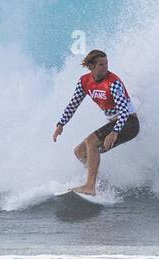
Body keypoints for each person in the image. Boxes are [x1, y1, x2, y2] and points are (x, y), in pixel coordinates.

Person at [52, 49, 140, 194]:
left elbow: (124, 111)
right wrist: (60, 124)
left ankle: (90, 186)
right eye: (101, 65)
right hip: (115, 125)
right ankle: (100, 183)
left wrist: (114, 132)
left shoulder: (114, 82)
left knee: (91, 142)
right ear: (91, 66)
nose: (105, 67)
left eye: (106, 63)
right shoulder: (84, 82)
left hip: (129, 123)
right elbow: (73, 104)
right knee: (80, 152)